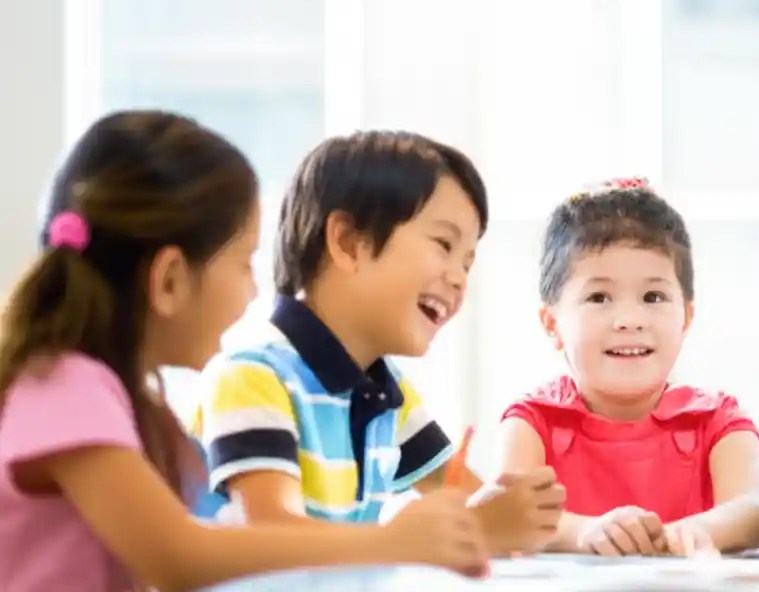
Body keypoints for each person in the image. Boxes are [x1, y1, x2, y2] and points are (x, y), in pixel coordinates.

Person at [0, 111, 488, 591]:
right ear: (170, 279)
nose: (255, 292)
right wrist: (391, 544)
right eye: (243, 263)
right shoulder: (64, 386)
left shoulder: (127, 402)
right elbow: (180, 558)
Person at [195, 130, 563, 556]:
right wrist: (462, 531)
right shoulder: (251, 378)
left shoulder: (389, 393)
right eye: (444, 244)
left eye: (467, 261)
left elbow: (471, 499)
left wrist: (551, 521)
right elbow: (273, 538)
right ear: (349, 242)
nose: (460, 277)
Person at [497, 178, 759, 557]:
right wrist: (586, 532)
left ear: (686, 317)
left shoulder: (717, 418)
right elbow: (507, 516)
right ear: (552, 323)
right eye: (599, 297)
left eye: (653, 296)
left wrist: (685, 533)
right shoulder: (533, 421)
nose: (628, 319)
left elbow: (753, 511)